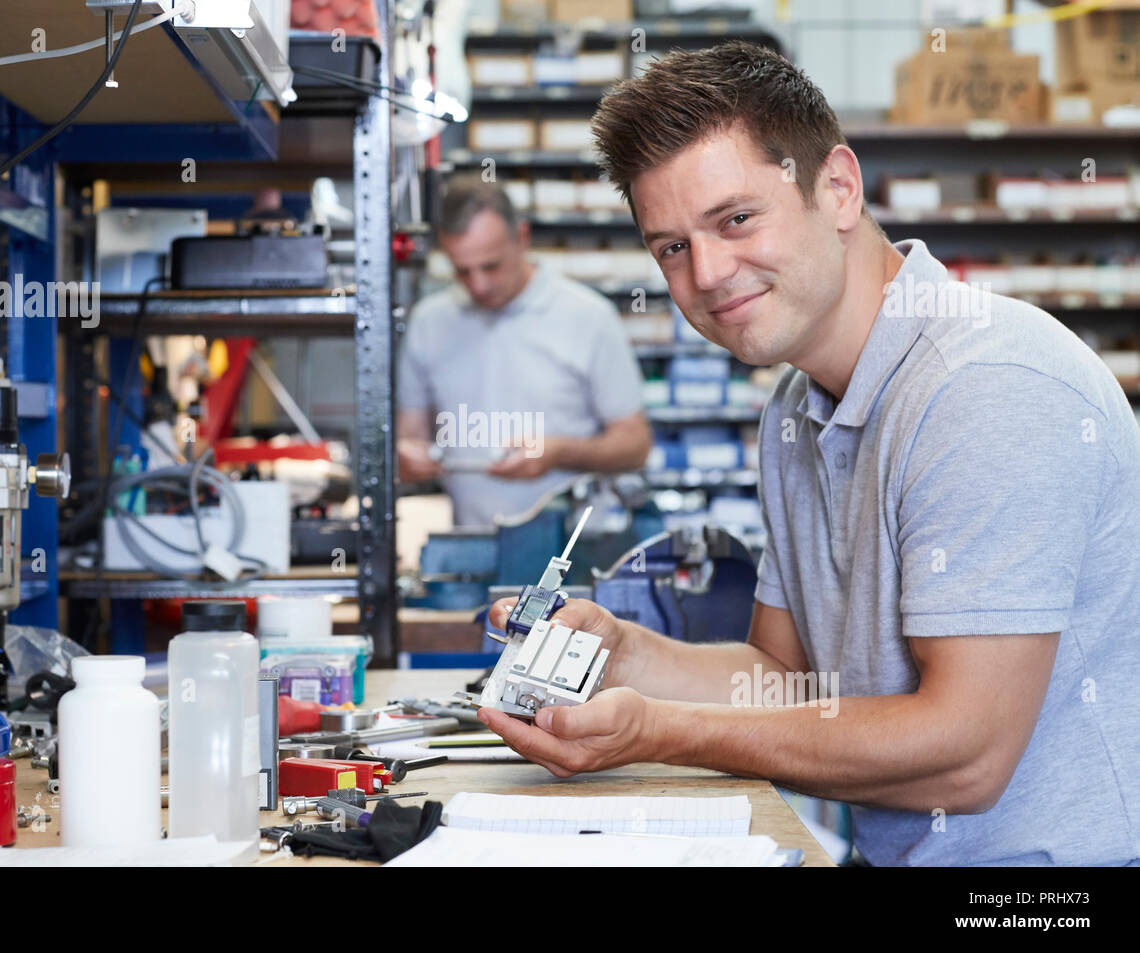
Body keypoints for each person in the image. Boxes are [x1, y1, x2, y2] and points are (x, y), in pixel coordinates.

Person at [478, 42, 1140, 866]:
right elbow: (781, 680)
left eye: (736, 219)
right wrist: (628, 657)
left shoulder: (988, 388)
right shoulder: (797, 407)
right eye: (672, 249)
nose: (709, 273)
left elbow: (967, 756)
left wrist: (661, 731)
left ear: (837, 188)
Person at [397, 178, 652, 526]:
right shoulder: (429, 322)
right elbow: (410, 438)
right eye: (462, 271)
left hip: (570, 549)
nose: (478, 285)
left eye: (491, 266)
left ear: (523, 237)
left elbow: (635, 445)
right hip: (468, 545)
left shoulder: (588, 316)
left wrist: (558, 453)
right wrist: (408, 457)